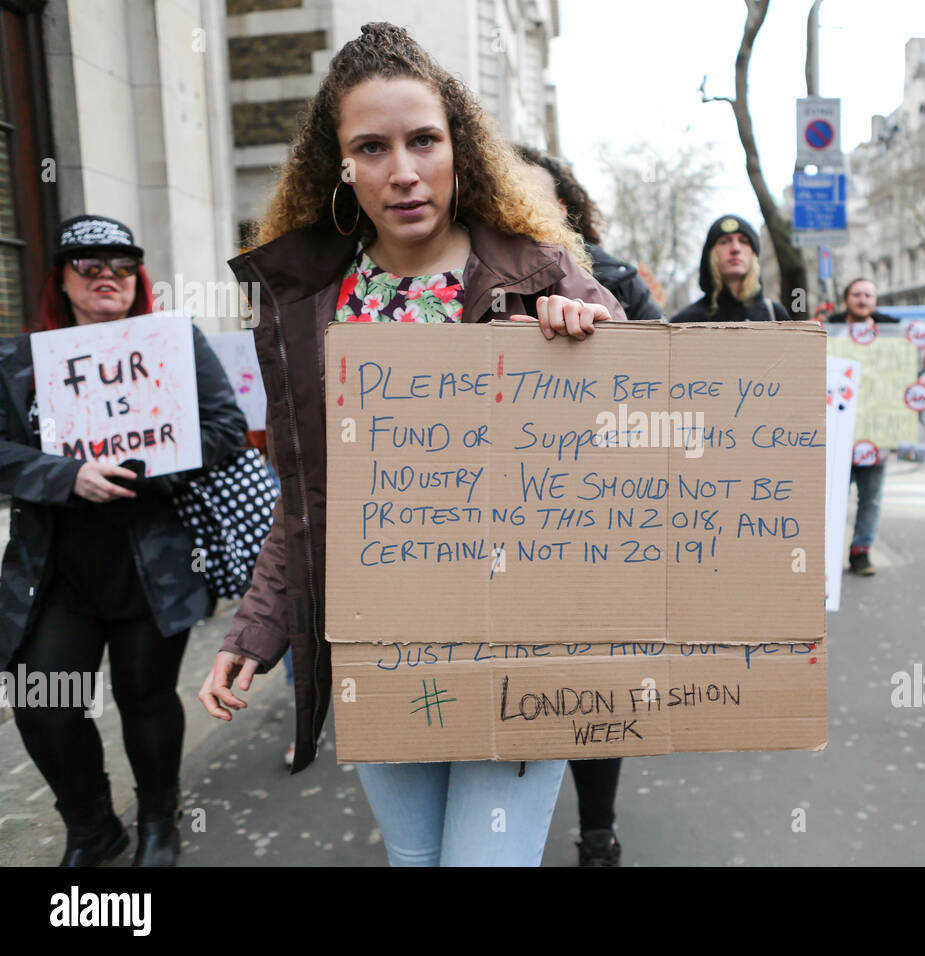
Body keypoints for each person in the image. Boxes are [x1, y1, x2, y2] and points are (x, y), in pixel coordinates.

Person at [197, 22, 625, 868]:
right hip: (378, 644)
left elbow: (634, 454)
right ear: (340, 163)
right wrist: (253, 632)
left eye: (423, 140)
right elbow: (306, 495)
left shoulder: (538, 269)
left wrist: (598, 343)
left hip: (521, 641)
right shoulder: (304, 303)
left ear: (458, 145)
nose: (402, 172)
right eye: (372, 146)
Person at [0, 214, 247, 866]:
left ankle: (160, 821)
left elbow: (225, 430)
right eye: (89, 265)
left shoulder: (175, 343)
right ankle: (91, 827)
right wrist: (68, 475)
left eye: (121, 264)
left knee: (146, 699)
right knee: (45, 704)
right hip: (54, 572)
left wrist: (149, 463)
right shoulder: (19, 359)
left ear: (137, 275)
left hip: (154, 566)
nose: (106, 276)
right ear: (61, 278)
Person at [516, 145, 663, 867]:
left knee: (594, 686)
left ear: (567, 209)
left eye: (538, 201)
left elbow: (670, 387)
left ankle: (597, 828)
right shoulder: (461, 287)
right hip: (497, 540)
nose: (523, 215)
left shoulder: (615, 281)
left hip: (602, 526)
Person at [516, 144, 661, 324]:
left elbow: (663, 347)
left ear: (561, 209)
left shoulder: (622, 283)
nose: (516, 208)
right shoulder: (484, 277)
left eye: (531, 197)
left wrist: (607, 332)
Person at [829, 277, 899, 575]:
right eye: (856, 294)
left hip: (876, 429)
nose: (862, 299)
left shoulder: (892, 333)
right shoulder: (828, 331)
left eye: (868, 294)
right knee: (833, 496)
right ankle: (827, 553)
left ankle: (861, 552)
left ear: (875, 300)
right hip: (837, 428)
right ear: (846, 300)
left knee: (870, 497)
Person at [669, 215, 792, 323]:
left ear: (753, 254)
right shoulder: (686, 322)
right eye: (724, 242)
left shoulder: (774, 315)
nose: (735, 248)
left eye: (744, 241)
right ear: (711, 254)